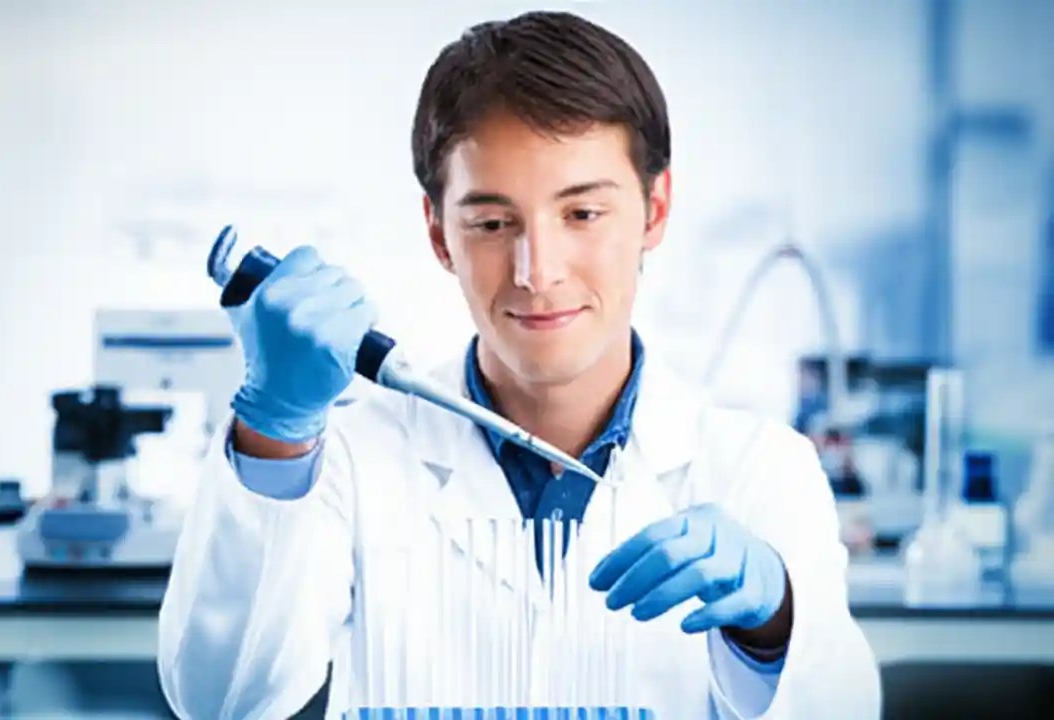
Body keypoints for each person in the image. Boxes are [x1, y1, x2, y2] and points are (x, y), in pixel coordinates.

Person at [158, 10, 880, 719]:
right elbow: (219, 704)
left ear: (654, 210)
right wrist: (275, 431)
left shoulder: (757, 468)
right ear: (439, 233)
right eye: (493, 223)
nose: (537, 271)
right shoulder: (351, 458)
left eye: (583, 214)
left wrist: (772, 622)